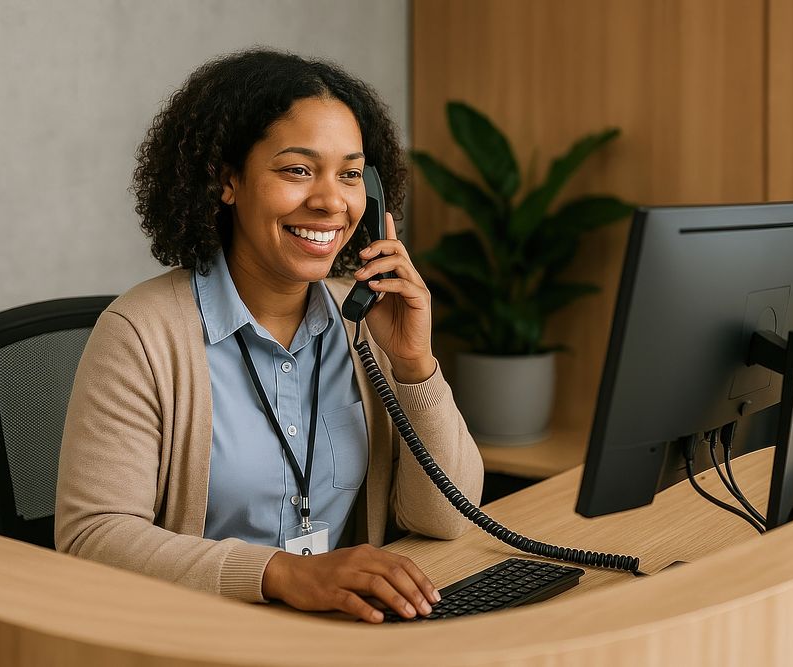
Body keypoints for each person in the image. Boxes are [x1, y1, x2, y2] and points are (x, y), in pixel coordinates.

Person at [54, 48, 483, 624]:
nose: (332, 201)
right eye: (297, 170)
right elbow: (91, 537)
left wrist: (415, 366)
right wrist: (280, 574)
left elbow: (446, 519)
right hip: (196, 637)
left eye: (351, 174)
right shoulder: (142, 334)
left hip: (339, 635)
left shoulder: (366, 321)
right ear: (228, 179)